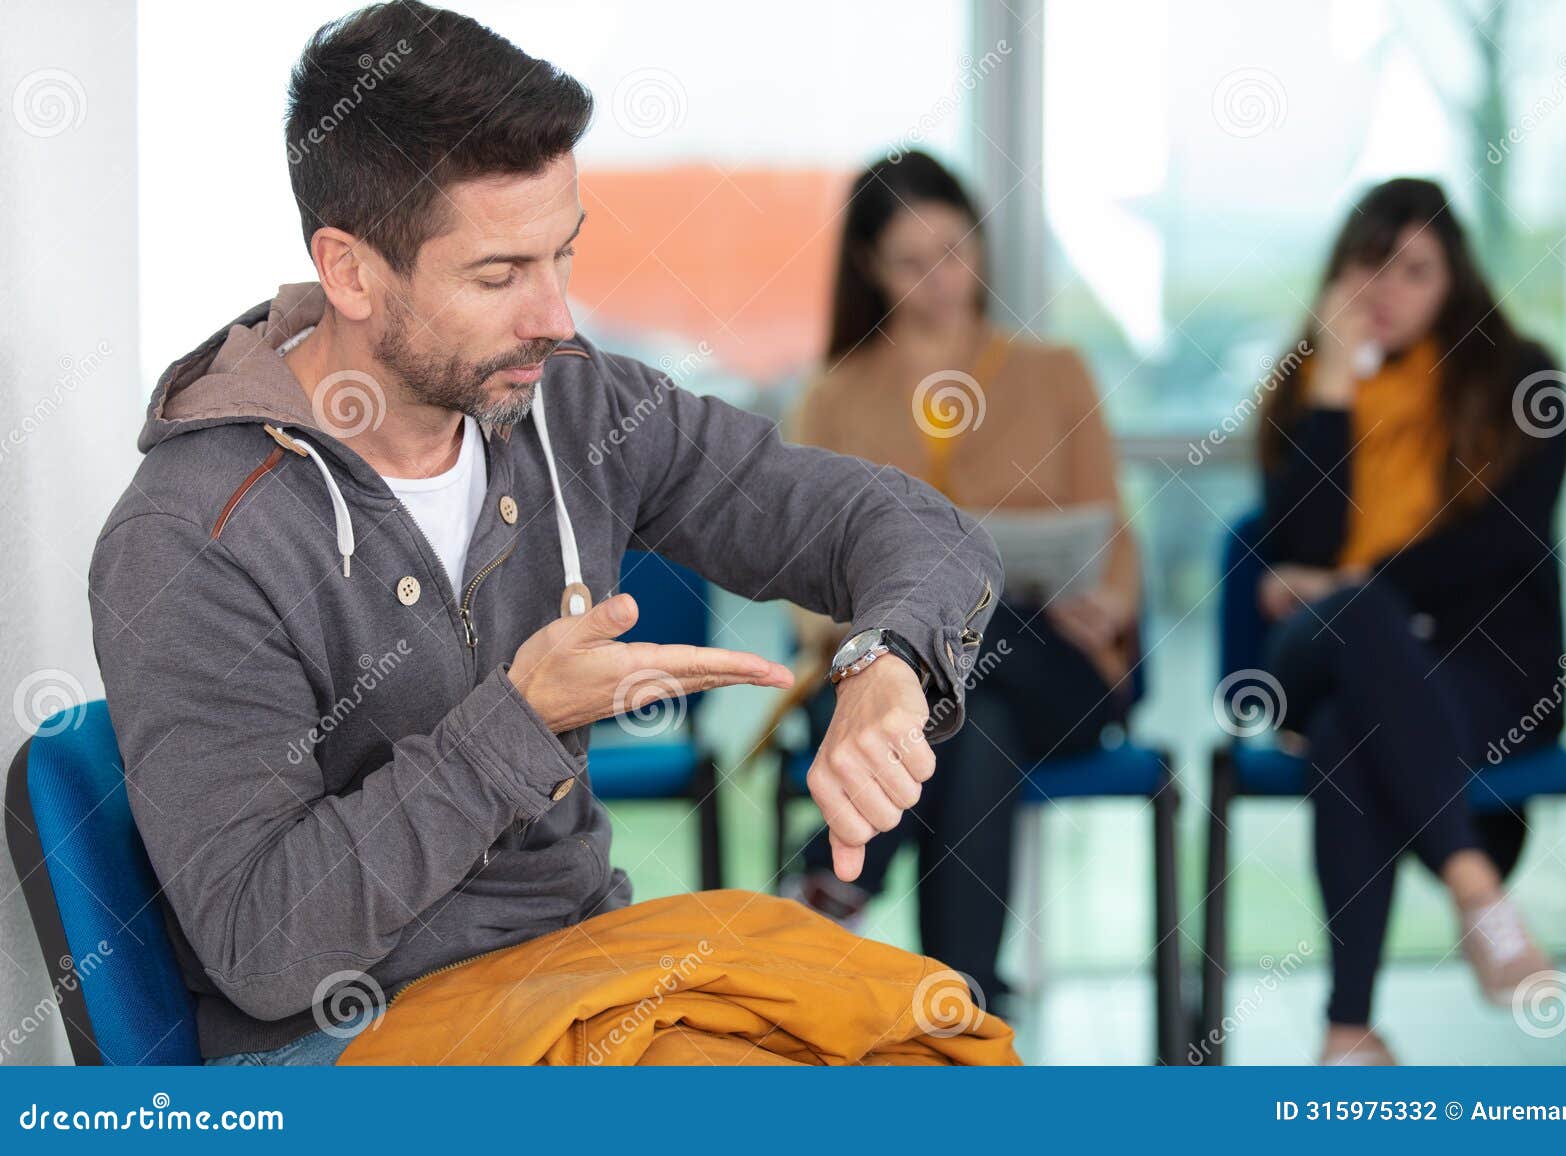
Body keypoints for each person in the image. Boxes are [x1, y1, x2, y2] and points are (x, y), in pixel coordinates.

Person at [88, 3, 1000, 1065]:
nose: (556, 316)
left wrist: (885, 661)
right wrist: (517, 726)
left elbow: (906, 528)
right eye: (499, 273)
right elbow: (264, 942)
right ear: (349, 271)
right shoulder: (191, 534)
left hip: (585, 973)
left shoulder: (576, 411)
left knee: (936, 1053)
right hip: (348, 1040)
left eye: (562, 254)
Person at [780, 151, 1142, 1005]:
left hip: (1057, 665)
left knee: (984, 631)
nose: (943, 280)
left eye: (956, 251)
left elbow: (1113, 533)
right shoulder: (835, 394)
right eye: (913, 261)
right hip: (900, 689)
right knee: (971, 718)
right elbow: (801, 582)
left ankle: (835, 878)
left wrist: (1111, 600)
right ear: (870, 267)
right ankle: (962, 1011)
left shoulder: (1056, 372)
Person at [1254, 177, 1566, 1065]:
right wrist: (1328, 389)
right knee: (1357, 626)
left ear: (1455, 283)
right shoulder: (1304, 392)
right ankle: (1480, 896)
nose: (1385, 292)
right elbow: (1286, 548)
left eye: (1415, 271)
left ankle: (1348, 1032)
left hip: (1487, 670)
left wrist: (1355, 575)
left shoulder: (1523, 379)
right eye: (1369, 266)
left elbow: (1504, 542)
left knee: (1348, 727)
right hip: (1319, 648)